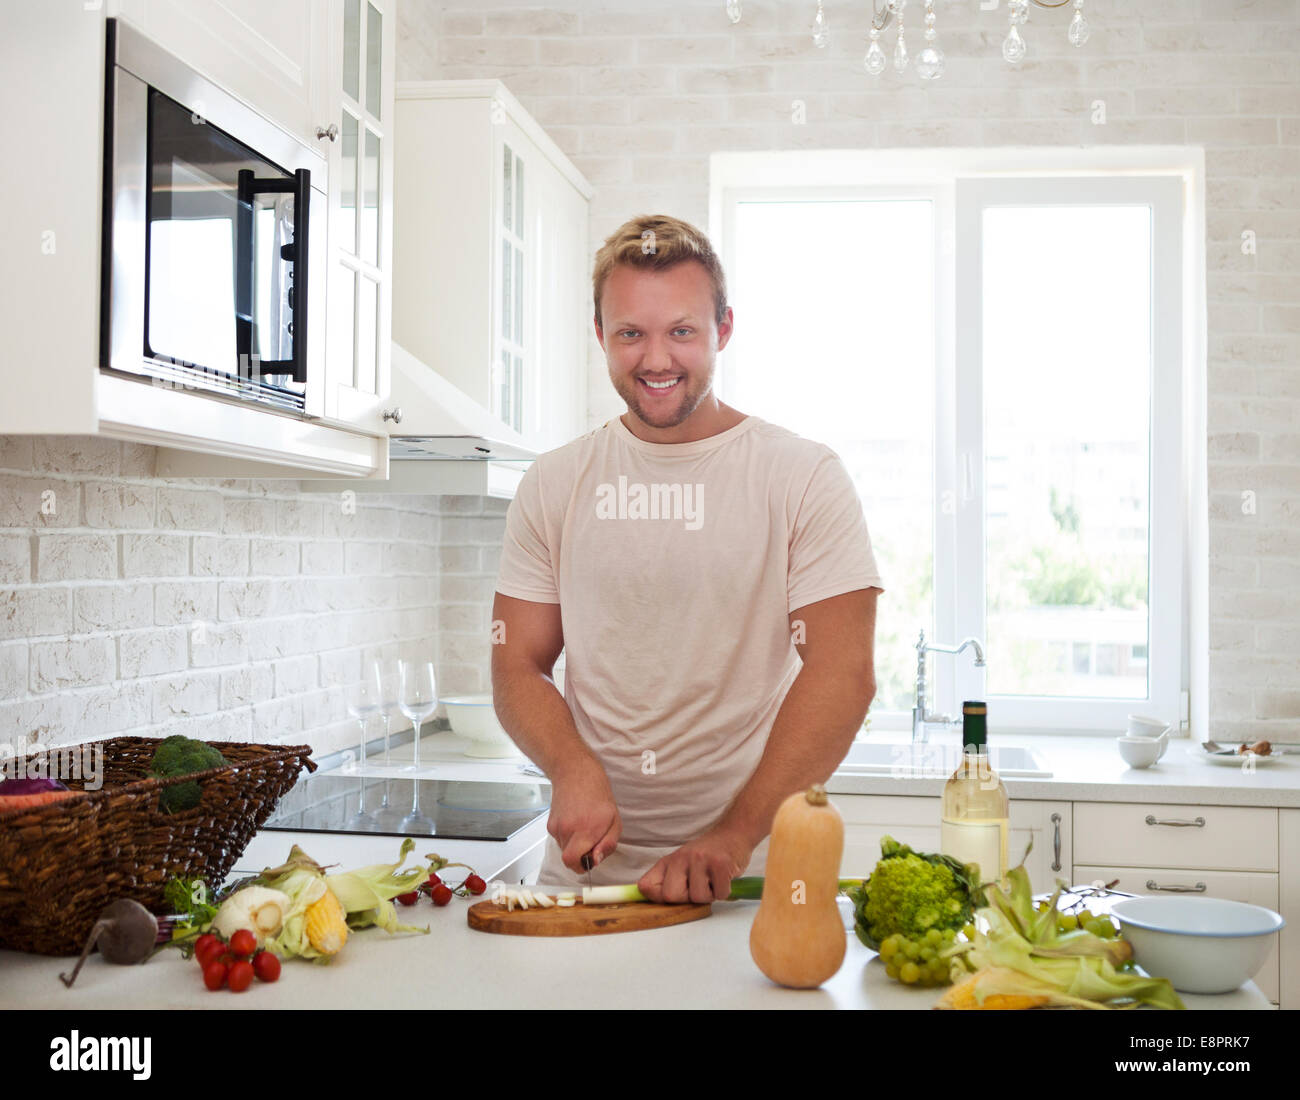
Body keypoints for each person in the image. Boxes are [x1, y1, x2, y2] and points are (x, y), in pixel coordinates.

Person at [491, 213, 884, 903]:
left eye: (682, 331)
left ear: (723, 330)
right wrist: (571, 765)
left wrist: (731, 841)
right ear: (600, 336)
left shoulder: (802, 476)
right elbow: (515, 663)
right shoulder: (555, 483)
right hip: (584, 886)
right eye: (630, 334)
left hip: (747, 882)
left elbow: (844, 673)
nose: (656, 360)